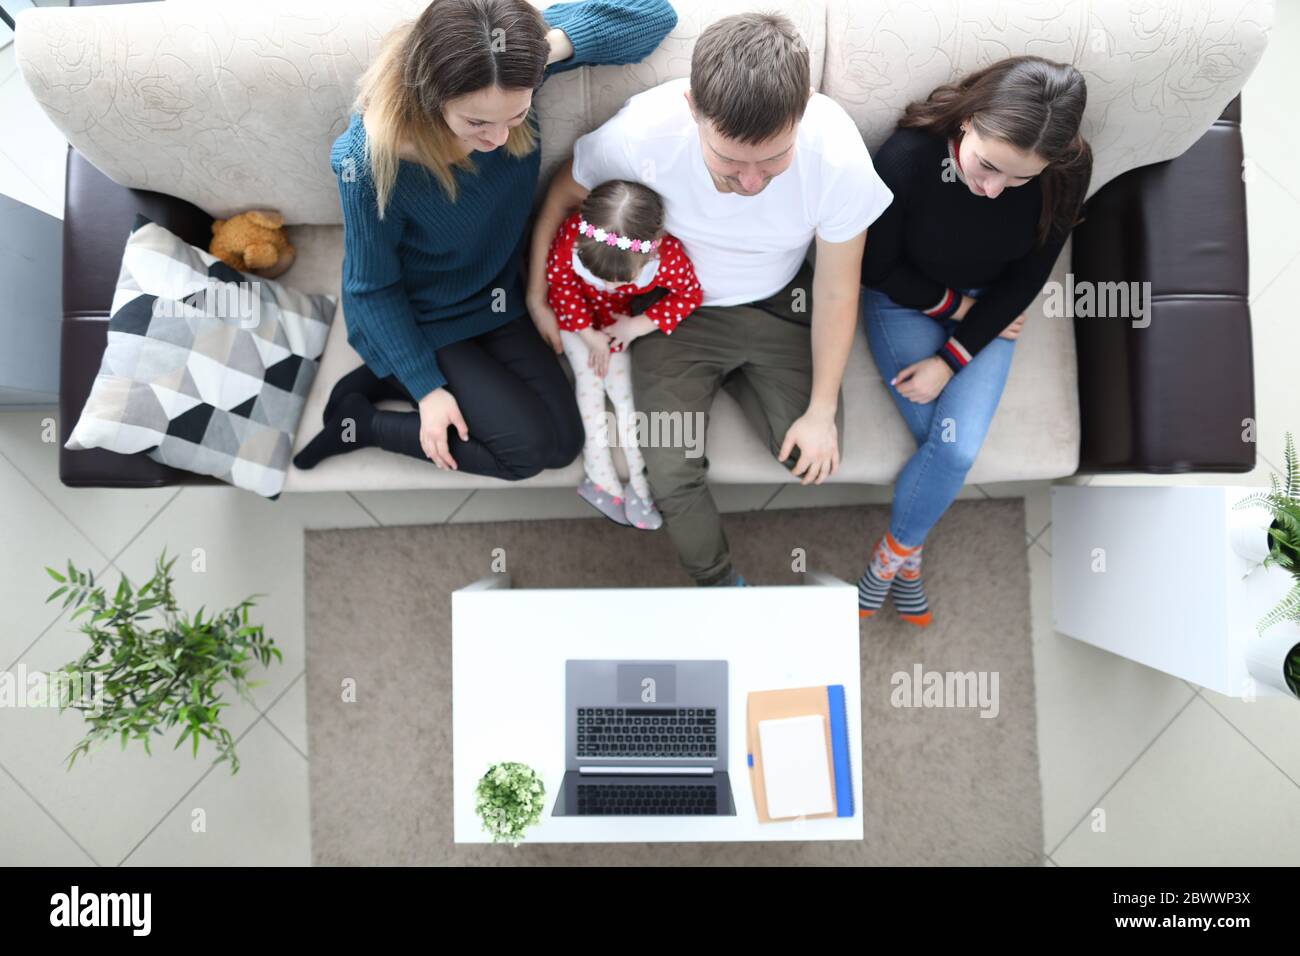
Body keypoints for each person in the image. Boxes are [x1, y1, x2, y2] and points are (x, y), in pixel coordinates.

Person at [529, 12, 893, 585]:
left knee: (806, 455)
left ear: (803, 112)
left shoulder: (838, 156)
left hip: (780, 304)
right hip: (672, 315)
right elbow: (564, 192)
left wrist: (821, 411)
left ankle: (744, 379)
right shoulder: (643, 132)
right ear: (694, 107)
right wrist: (536, 297)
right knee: (670, 470)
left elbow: (838, 286)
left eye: (773, 159)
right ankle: (720, 583)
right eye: (730, 160)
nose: (752, 182)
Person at [293, 0, 677, 478]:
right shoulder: (369, 160)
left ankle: (382, 375)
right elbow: (371, 287)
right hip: (423, 315)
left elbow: (653, 15)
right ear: (430, 94)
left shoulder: (509, 74)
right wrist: (427, 390)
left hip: (497, 297)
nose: (498, 138)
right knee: (524, 456)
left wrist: (541, 53)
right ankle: (365, 421)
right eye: (476, 123)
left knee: (564, 444)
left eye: (516, 116)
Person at [857, 55, 1092, 626]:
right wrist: (961, 311)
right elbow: (878, 269)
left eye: (1018, 178)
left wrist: (953, 357)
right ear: (969, 120)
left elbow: (1029, 278)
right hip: (906, 295)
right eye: (987, 166)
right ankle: (909, 559)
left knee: (952, 448)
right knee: (951, 449)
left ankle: (892, 559)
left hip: (994, 305)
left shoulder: (1069, 170)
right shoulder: (907, 158)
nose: (993, 190)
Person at [544, 179, 703, 528]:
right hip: (578, 322)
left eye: (622, 280)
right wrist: (589, 336)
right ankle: (599, 479)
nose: (611, 286)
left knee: (628, 401)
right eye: (600, 276)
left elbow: (689, 295)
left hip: (621, 326)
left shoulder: (665, 257)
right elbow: (561, 284)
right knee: (589, 391)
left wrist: (636, 326)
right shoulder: (573, 235)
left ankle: (642, 485)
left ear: (652, 250)